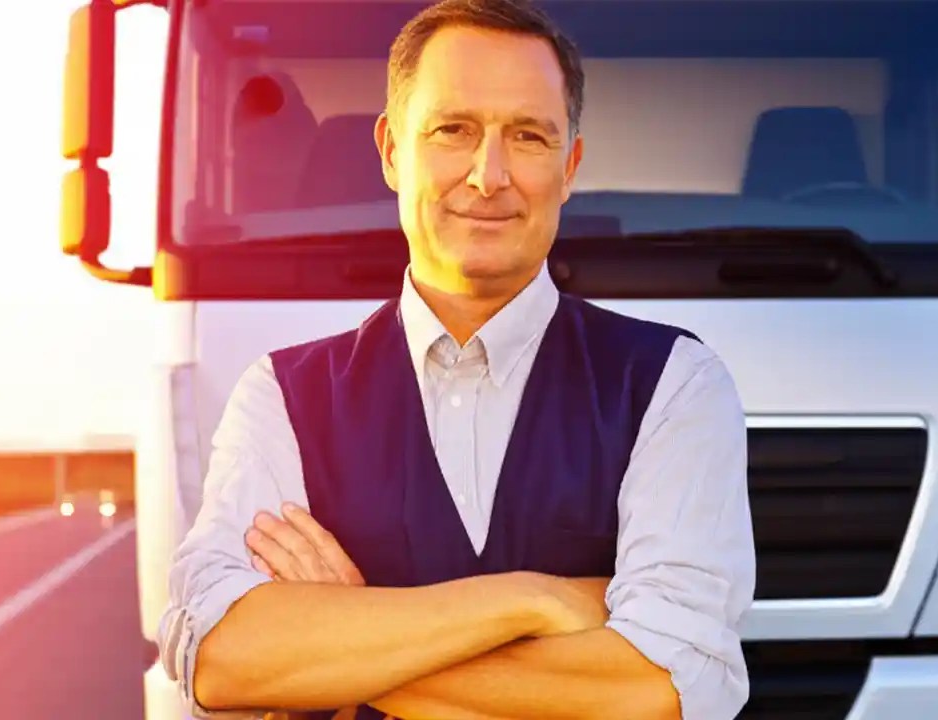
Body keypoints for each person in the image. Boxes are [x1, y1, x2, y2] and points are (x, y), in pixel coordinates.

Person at [156, 1, 756, 718]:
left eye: (528, 136)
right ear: (390, 152)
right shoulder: (281, 395)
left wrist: (342, 644)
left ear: (569, 166)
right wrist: (542, 599)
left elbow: (666, 690)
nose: (488, 175)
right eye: (453, 130)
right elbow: (221, 654)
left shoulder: (674, 384)